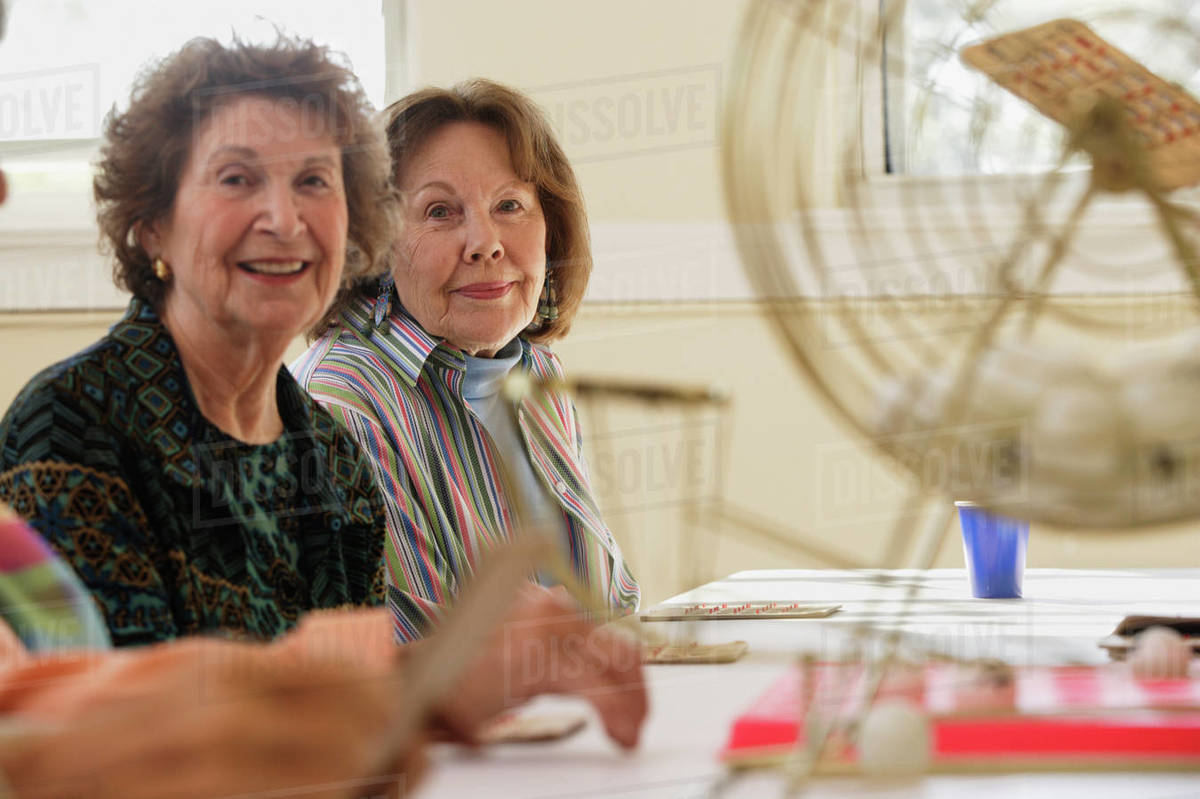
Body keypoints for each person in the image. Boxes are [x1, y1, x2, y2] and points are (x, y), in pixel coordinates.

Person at [0, 36, 396, 646]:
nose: (284, 220)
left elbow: (365, 687)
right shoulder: (70, 425)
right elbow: (109, 696)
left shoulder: (337, 459)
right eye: (236, 178)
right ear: (153, 226)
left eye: (314, 180)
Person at [294, 80, 640, 641]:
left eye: (509, 205)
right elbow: (417, 649)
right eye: (439, 211)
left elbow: (610, 603)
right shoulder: (336, 405)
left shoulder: (537, 375)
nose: (486, 242)